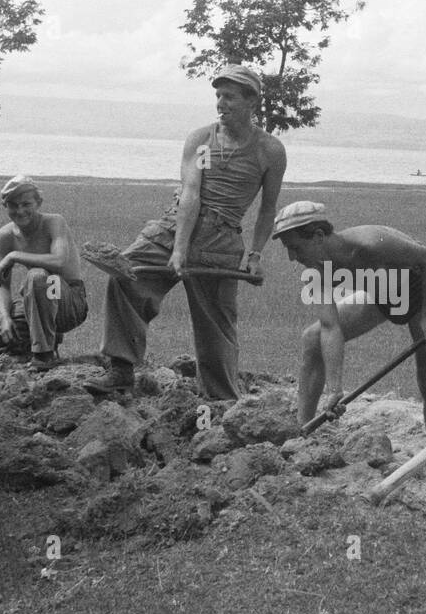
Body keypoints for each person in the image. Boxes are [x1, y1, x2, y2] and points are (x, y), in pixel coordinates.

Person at [85, 65, 286, 400]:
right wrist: (179, 249)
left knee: (216, 325)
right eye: (218, 96)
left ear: (252, 101)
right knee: (126, 274)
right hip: (174, 227)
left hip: (221, 240)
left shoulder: (270, 150)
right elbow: (191, 194)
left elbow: (267, 209)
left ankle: (220, 402)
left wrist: (255, 255)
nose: (221, 103)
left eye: (229, 97)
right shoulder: (201, 140)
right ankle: (120, 370)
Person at [272, 200, 426, 442]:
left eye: (296, 248)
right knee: (312, 339)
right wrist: (334, 390)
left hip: (421, 295)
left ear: (319, 236)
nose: (292, 257)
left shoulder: (372, 243)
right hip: (381, 294)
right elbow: (330, 326)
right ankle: (303, 434)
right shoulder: (317, 271)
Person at [0, 175, 88, 371]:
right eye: (13, 205)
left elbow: (58, 261)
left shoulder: (54, 222)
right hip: (34, 301)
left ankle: (44, 356)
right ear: (5, 206)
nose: (20, 211)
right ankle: (35, 341)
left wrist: (15, 255)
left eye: (26, 204)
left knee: (38, 276)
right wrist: (5, 317)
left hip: (68, 301)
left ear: (39, 203)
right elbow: (2, 284)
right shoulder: (5, 235)